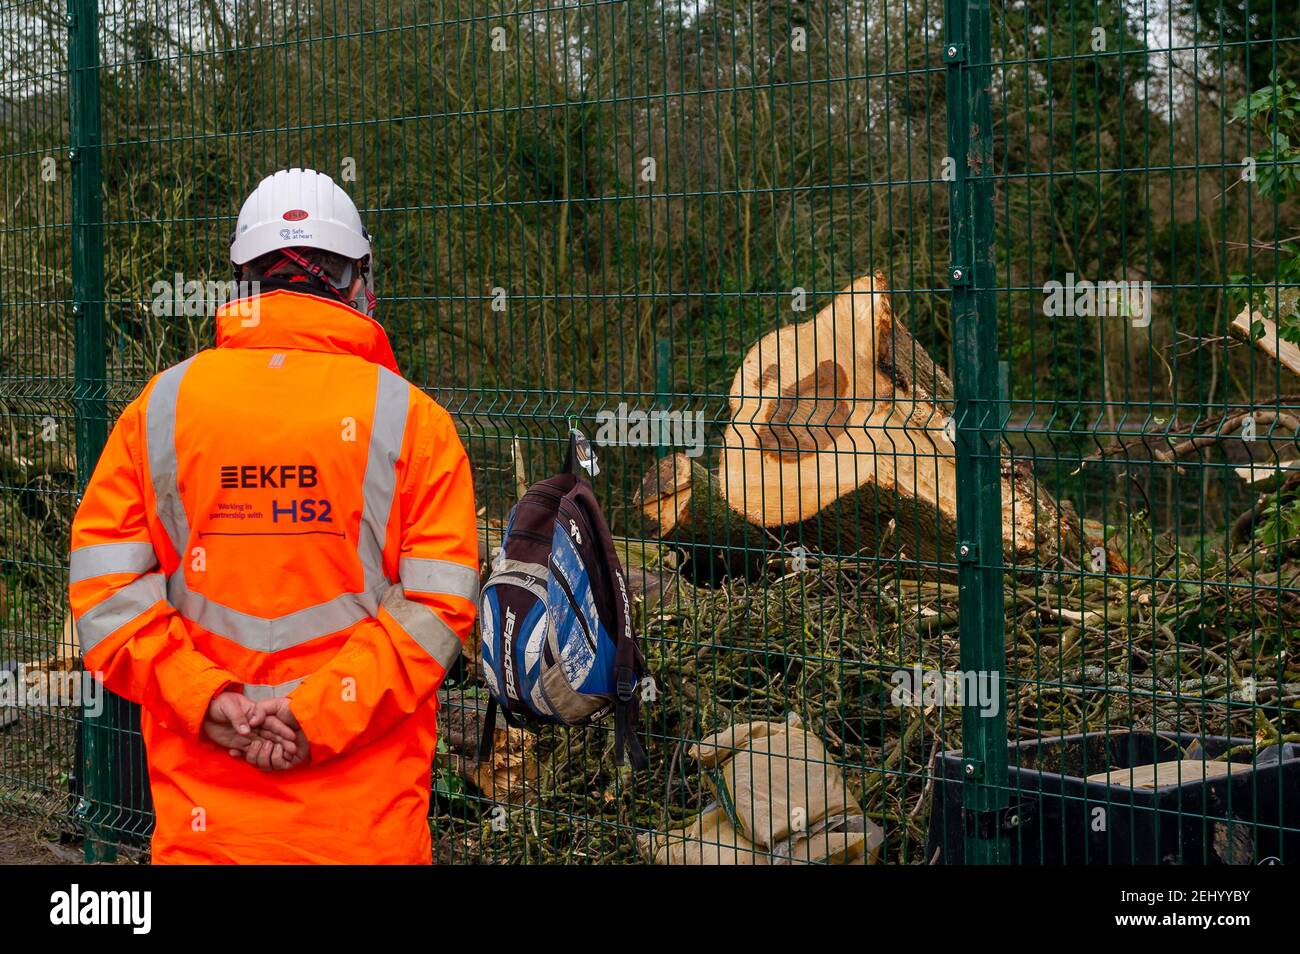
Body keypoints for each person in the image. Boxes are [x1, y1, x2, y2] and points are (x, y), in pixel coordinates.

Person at [68, 168, 479, 864]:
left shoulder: (159, 411)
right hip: (363, 837)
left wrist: (209, 702)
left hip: (207, 838)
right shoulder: (417, 424)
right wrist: (311, 716)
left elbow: (106, 596)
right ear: (359, 278)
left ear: (242, 283)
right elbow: (438, 611)